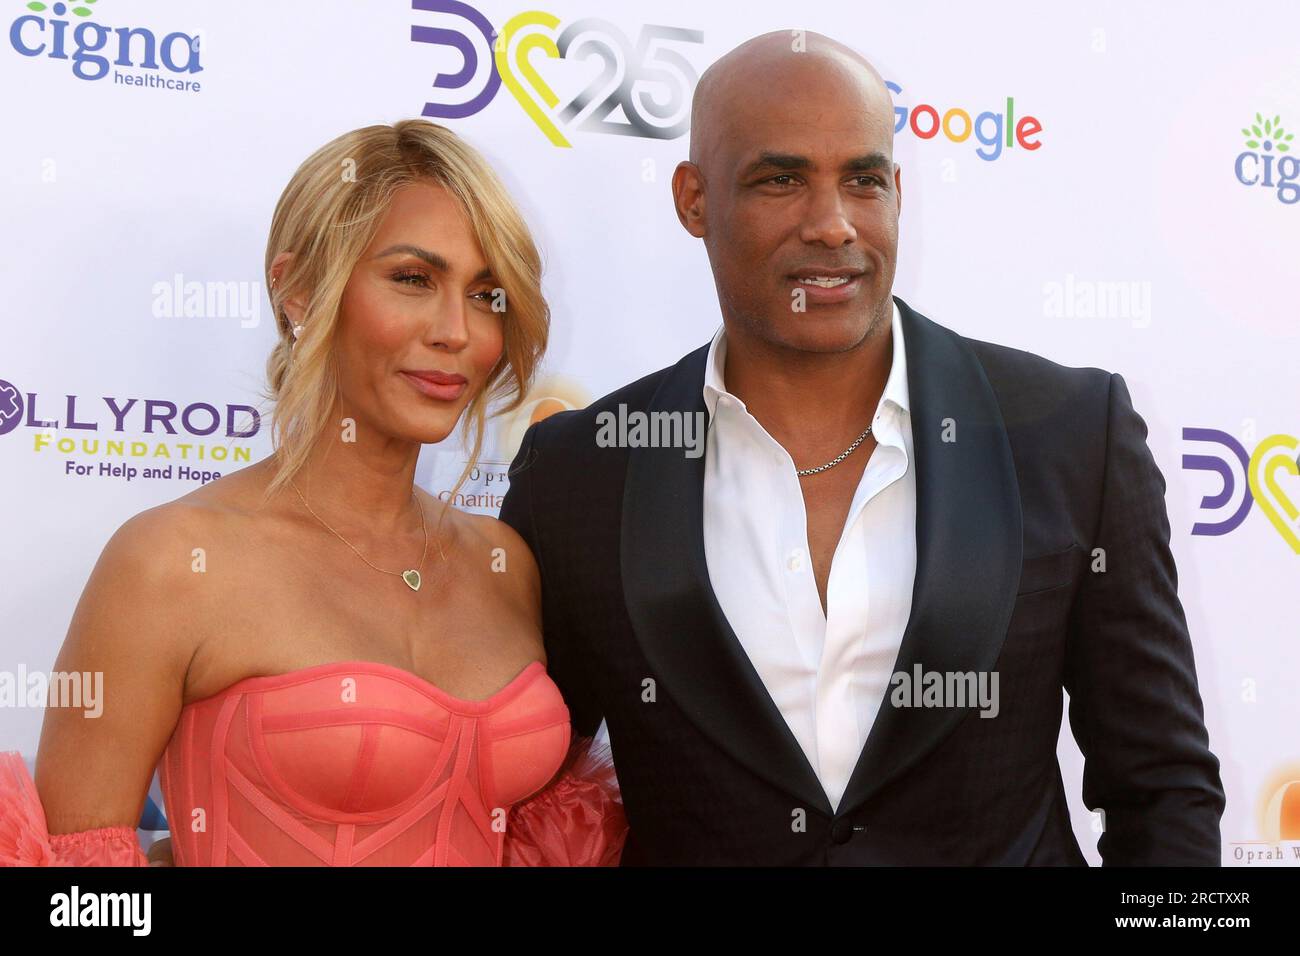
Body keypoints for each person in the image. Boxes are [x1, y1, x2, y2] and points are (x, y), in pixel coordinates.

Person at [498, 31, 1225, 865]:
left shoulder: (1068, 430)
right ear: (694, 199)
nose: (834, 225)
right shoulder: (579, 471)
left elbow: (1162, 784)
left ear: (899, 192)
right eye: (781, 180)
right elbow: (527, 775)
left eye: (863, 180)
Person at [0, 119, 625, 867]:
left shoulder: (503, 561)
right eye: (412, 279)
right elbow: (80, 888)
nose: (457, 331)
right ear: (297, 290)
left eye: (488, 294)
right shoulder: (173, 562)